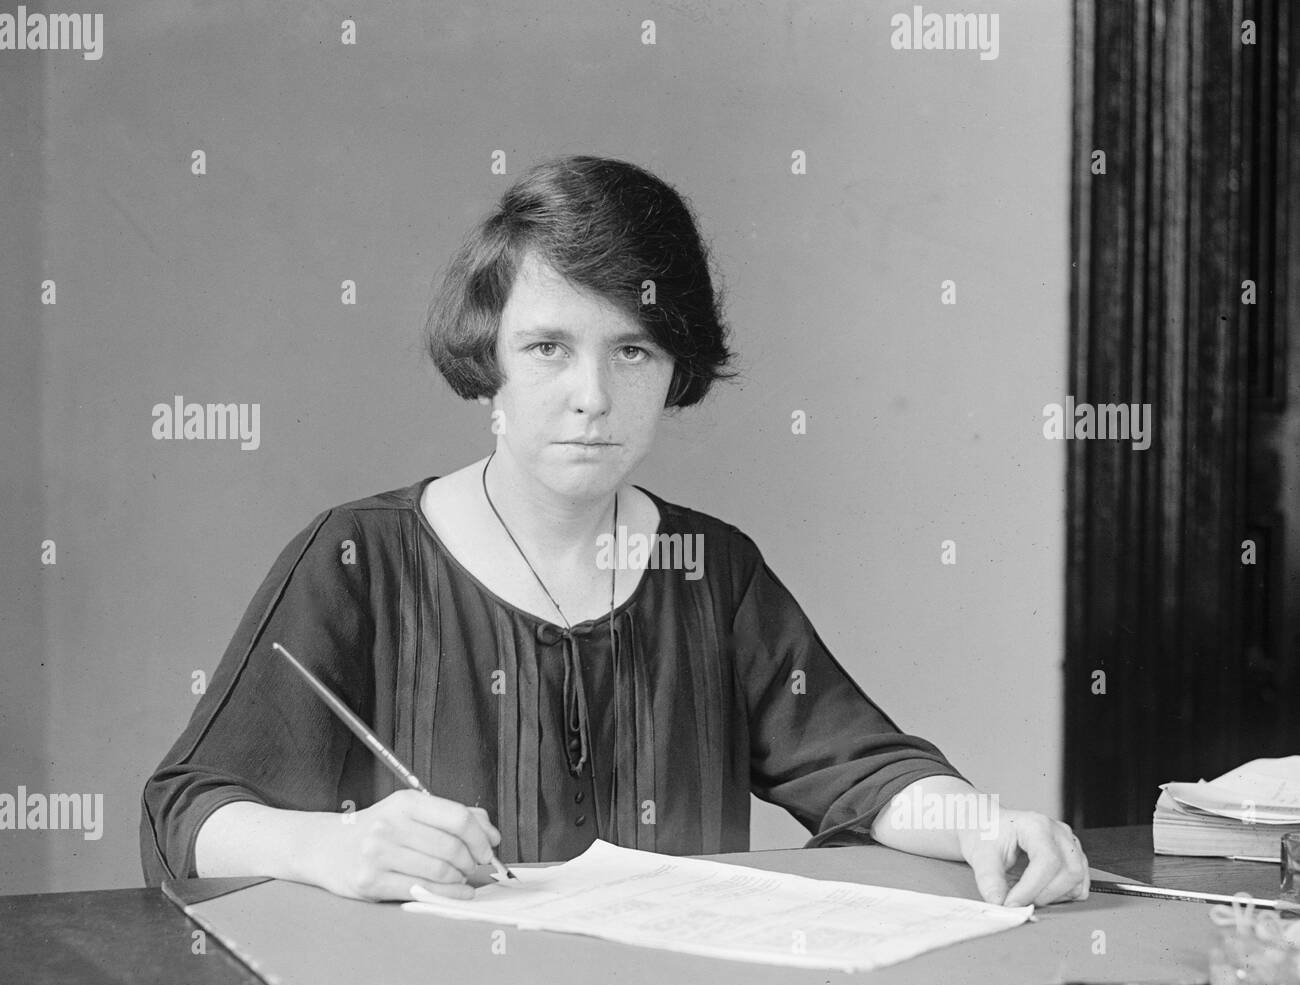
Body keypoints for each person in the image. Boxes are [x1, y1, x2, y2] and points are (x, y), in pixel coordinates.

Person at [140, 155, 1089, 909]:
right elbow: (182, 812)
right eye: (548, 347)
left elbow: (860, 768)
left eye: (631, 350)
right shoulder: (359, 556)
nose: (592, 398)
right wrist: (332, 844)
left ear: (676, 371)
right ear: (488, 361)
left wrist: (981, 820)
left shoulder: (713, 571)